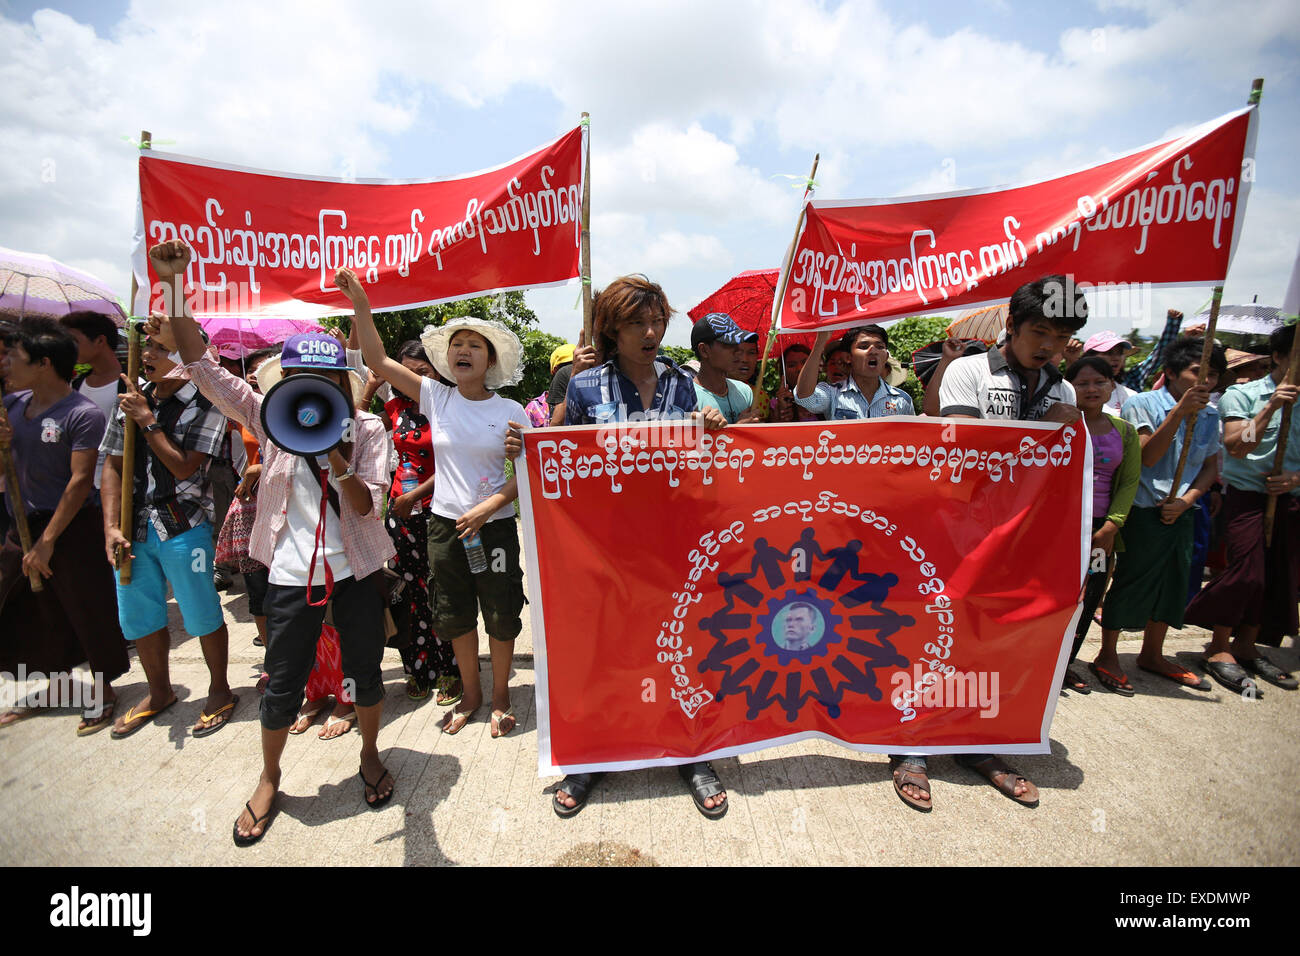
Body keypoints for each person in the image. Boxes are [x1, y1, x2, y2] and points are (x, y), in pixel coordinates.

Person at [150, 238, 397, 846]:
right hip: (289, 570)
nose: (314, 385)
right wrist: (176, 284)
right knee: (283, 679)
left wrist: (333, 449)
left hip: (358, 567)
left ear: (343, 379)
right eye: (302, 377)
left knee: (366, 671)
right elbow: (200, 365)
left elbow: (368, 503)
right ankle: (269, 777)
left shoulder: (367, 430)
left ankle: (368, 751)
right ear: (286, 380)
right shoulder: (267, 416)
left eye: (326, 376)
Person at [559, 274, 730, 819]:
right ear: (613, 329)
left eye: (657, 321)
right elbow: (564, 463)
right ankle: (591, 756)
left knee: (683, 650)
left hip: (671, 547)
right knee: (606, 653)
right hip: (607, 549)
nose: (651, 331)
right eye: (636, 322)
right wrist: (526, 448)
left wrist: (710, 426)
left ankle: (692, 751)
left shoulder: (682, 384)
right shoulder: (584, 388)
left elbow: (694, 466)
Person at [343, 270, 527, 742]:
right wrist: (363, 303)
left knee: (502, 615)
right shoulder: (435, 397)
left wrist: (489, 508)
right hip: (445, 528)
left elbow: (527, 478)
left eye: (475, 345)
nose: (463, 350)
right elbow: (378, 359)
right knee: (455, 614)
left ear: (490, 360)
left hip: (496, 528)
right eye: (457, 344)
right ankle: (472, 695)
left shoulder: (511, 411)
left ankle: (502, 695)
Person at [933, 274, 1086, 808]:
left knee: (995, 640)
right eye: (1039, 331)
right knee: (935, 633)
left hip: (1021, 541)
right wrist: (1044, 424)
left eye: (1061, 338)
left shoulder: (1063, 388)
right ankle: (905, 747)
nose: (1048, 346)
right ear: (1012, 325)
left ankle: (979, 741)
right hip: (958, 536)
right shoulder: (967, 371)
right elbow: (964, 453)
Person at [100, 337, 236, 737]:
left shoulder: (205, 402)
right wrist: (110, 524)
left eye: (159, 347)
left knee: (201, 611)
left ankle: (220, 689)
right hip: (133, 529)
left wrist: (146, 421)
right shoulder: (129, 399)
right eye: (146, 346)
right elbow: (112, 465)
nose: (146, 355)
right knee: (139, 616)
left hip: (183, 524)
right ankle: (159, 691)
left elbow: (183, 468)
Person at [0, 317, 128, 734]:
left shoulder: (81, 414)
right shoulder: (13, 408)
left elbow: (79, 481)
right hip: (22, 521)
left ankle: (102, 688)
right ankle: (54, 683)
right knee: (29, 604)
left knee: (86, 604)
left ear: (44, 363)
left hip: (71, 525)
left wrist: (49, 541)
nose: (6, 363)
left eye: (14, 357)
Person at [1091, 336, 1226, 695]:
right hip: (1143, 510)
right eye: (1198, 372)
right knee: (1130, 582)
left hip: (1183, 512)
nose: (1206, 381)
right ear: (1170, 372)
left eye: (1213, 375)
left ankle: (1153, 653)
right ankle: (1107, 654)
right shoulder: (1143, 405)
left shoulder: (1212, 414)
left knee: (1174, 583)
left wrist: (1188, 500)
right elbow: (1148, 456)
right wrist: (1179, 413)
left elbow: (1211, 467)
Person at [1185, 323, 1300, 691]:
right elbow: (1237, 445)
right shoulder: (1243, 396)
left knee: (1275, 578)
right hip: (1247, 496)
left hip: (1290, 500)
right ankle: (1218, 647)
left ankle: (1247, 646)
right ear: (1279, 357)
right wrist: (1271, 408)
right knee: (1246, 573)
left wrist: (1295, 480)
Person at [381, 339, 458, 704]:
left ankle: (450, 670)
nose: (412, 380)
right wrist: (366, 391)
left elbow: (454, 465)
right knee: (408, 595)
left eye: (422, 372)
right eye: (405, 374)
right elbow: (353, 427)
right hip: (400, 518)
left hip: (438, 511)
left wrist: (415, 495)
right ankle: (416, 669)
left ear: (437, 372)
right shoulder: (393, 407)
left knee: (441, 593)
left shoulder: (446, 405)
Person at [1060, 357, 1140, 694]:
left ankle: (1067, 665)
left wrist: (1111, 527)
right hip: (1059, 528)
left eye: (1099, 382)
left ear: (1111, 385)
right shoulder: (1059, 424)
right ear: (1068, 388)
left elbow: (1128, 483)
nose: (1091, 389)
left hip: (1100, 532)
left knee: (1089, 597)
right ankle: (1044, 661)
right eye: (1082, 383)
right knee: (1057, 597)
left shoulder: (1125, 431)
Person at [795, 324, 914, 420]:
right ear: (848, 357)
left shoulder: (902, 400)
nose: (873, 350)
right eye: (863, 346)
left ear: (886, 357)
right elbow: (805, 398)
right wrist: (820, 342)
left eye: (879, 347)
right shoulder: (832, 393)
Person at [62, 311, 124, 491]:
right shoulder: (76, 384)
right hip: (77, 485)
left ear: (100, 341)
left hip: (113, 487)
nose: (69, 348)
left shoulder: (130, 386)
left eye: (74, 341)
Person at [691, 312, 761, 424]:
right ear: (704, 350)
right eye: (728, 345)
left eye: (737, 345)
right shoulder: (688, 397)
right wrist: (738, 430)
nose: (737, 352)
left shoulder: (744, 392)